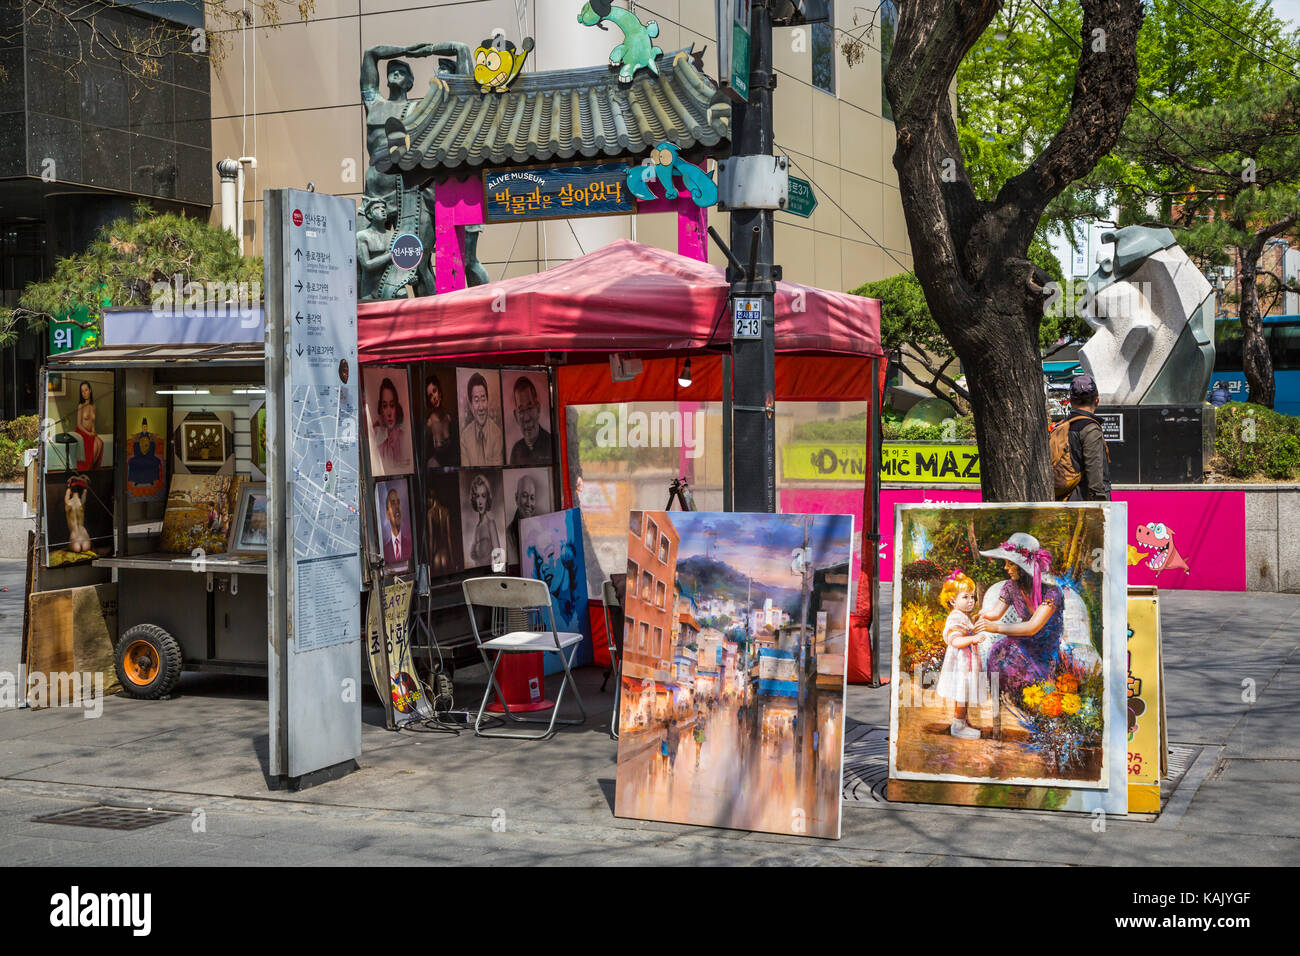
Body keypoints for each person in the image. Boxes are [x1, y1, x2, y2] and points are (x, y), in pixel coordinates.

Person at [974, 533, 1071, 697]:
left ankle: (1028, 701)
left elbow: (1032, 627)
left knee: (1040, 688)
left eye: (1010, 564)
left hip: (1044, 650)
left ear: (1023, 568)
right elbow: (996, 613)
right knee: (998, 653)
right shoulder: (1011, 586)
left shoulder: (1051, 591)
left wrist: (995, 627)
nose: (1005, 568)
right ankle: (1006, 701)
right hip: (1022, 642)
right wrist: (984, 615)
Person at [934, 569, 988, 740]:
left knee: (964, 694)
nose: (971, 601)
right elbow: (955, 641)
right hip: (961, 664)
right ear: (952, 600)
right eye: (965, 597)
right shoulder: (955, 617)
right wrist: (974, 638)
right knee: (962, 694)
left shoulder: (962, 616)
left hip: (966, 662)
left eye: (972, 597)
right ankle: (958, 725)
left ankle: (962, 722)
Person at [1059, 374, 1111, 501]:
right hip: (1084, 503)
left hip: (1064, 498)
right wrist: (1102, 504)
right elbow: (1095, 474)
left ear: (1071, 402)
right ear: (1097, 400)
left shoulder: (1061, 427)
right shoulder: (1090, 429)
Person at [459, 372, 503, 466]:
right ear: (471, 406)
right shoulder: (464, 439)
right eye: (476, 401)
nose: (481, 407)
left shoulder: (497, 434)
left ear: (488, 400)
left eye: (483, 400)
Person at [508, 375, 552, 465]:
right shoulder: (516, 451)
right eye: (521, 411)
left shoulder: (551, 444)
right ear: (516, 416)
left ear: (538, 409)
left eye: (530, 408)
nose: (527, 418)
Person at [373, 377, 410, 472]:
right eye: (385, 406)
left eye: (392, 405)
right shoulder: (376, 437)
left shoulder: (403, 437)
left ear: (396, 407)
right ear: (380, 409)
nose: (389, 413)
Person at [467, 473, 500, 566]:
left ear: (487, 499)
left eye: (483, 496)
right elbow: (472, 554)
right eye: (477, 496)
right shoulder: (477, 527)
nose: (480, 501)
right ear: (474, 499)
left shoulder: (490, 524)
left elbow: (499, 560)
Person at [506, 474, 540, 563]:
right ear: (516, 498)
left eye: (532, 498)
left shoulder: (539, 527)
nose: (529, 503)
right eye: (525, 496)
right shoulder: (509, 535)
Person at [424, 375, 456, 467]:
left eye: (434, 391)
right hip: (435, 468)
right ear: (429, 401)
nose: (434, 397)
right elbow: (425, 453)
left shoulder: (448, 418)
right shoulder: (429, 423)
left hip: (450, 468)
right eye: (430, 396)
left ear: (439, 391)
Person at [74, 381, 104, 470]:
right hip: (82, 432)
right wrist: (88, 433)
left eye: (86, 390)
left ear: (90, 390)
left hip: (90, 432)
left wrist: (93, 431)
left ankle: (91, 468)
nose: (84, 393)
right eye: (82, 391)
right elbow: (79, 424)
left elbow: (93, 422)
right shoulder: (81, 406)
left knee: (100, 442)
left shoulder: (93, 406)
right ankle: (88, 469)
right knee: (95, 445)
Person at [426, 486, 455, 575]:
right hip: (445, 552)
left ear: (432, 498)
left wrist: (430, 561)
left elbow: (431, 538)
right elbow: (449, 536)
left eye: (428, 499)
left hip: (436, 554)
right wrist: (451, 558)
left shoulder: (430, 513)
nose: (427, 501)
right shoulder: (446, 511)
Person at [382, 487, 411, 568]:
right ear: (387, 515)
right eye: (393, 504)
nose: (397, 507)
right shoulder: (384, 550)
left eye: (398, 502)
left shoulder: (409, 545)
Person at [64, 477, 92, 553]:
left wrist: (69, 485)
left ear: (71, 492)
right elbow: (86, 489)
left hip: (75, 536)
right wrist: (82, 479)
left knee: (70, 549)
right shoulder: (81, 503)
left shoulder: (68, 503)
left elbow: (68, 491)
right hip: (84, 535)